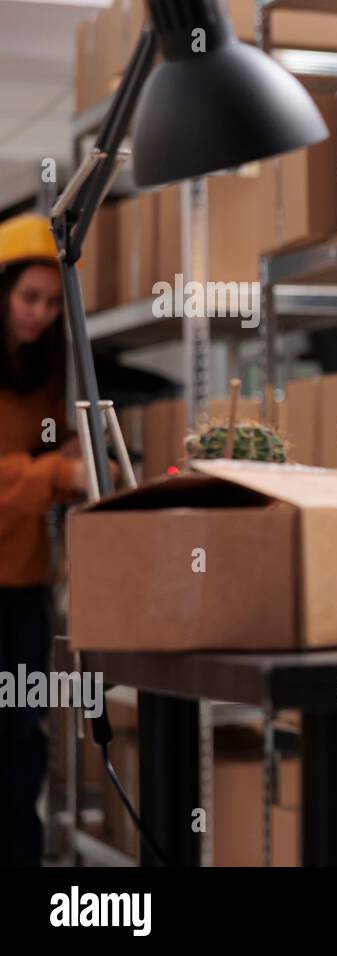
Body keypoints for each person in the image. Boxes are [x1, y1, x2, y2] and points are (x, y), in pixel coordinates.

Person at [0, 214, 89, 865]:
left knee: (22, 734)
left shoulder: (42, 371)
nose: (41, 313)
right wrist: (60, 471)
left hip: (23, 584)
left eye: (53, 303)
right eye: (29, 297)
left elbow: (44, 449)